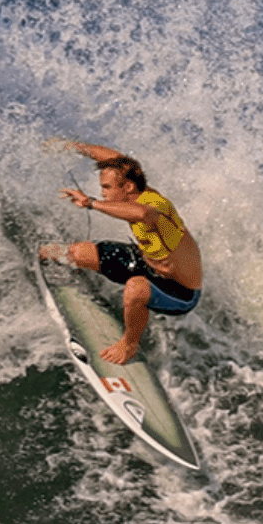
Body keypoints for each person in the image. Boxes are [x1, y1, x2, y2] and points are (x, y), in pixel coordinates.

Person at [39, 140, 203, 364]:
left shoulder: (156, 206)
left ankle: (129, 345)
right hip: (146, 262)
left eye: (107, 188)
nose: (103, 192)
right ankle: (42, 255)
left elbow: (141, 214)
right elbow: (112, 158)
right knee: (77, 253)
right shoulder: (131, 180)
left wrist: (91, 203)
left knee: (135, 288)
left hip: (179, 290)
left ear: (127, 188)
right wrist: (70, 146)